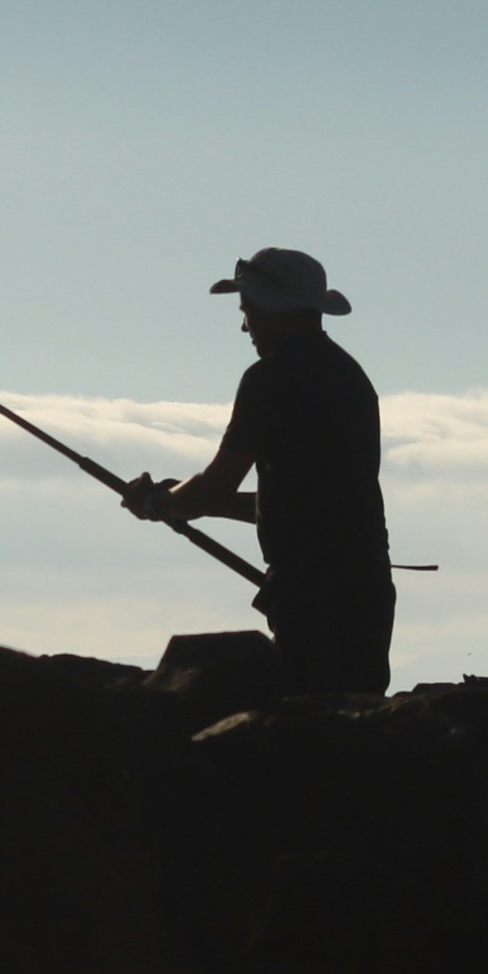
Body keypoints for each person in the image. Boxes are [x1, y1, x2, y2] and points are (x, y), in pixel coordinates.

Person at [123, 247, 393, 694]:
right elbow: (310, 501)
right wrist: (188, 504)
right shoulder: (350, 378)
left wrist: (159, 503)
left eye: (248, 311)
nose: (245, 326)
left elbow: (213, 488)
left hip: (309, 593)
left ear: (275, 308)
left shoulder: (268, 379)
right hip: (368, 586)